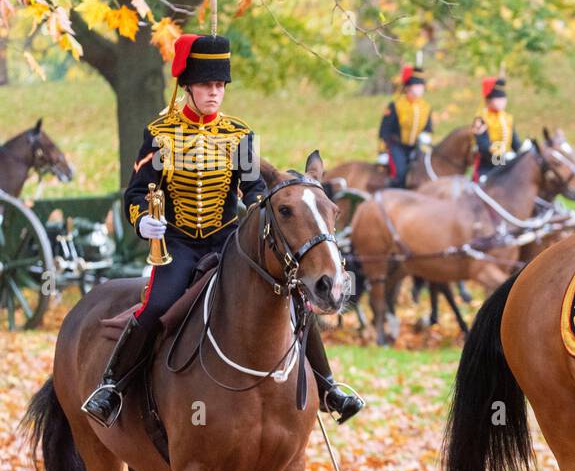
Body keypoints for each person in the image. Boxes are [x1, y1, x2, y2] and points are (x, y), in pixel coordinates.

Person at [81, 33, 365, 428]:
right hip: (178, 245)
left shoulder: (238, 135)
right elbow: (136, 191)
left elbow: (253, 188)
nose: (214, 93)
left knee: (295, 299)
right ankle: (112, 388)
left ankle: (329, 387)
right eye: (206, 85)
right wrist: (143, 219)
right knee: (156, 307)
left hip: (228, 241)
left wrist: (260, 204)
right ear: (188, 87)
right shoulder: (160, 133)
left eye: (219, 86)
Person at [378, 65, 433, 188]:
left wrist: (426, 136)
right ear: (409, 87)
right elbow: (385, 129)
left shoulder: (426, 106)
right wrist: (382, 151)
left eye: (421, 86)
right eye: (417, 86)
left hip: (417, 147)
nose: (421, 89)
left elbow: (428, 127)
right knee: (400, 173)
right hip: (397, 146)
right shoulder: (396, 105)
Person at [471, 77, 522, 180]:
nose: (502, 102)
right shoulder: (481, 118)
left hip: (506, 163)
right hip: (487, 165)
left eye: (503, 99)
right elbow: (484, 146)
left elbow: (515, 142)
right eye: (498, 99)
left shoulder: (507, 117)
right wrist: (502, 157)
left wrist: (522, 153)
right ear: (489, 100)